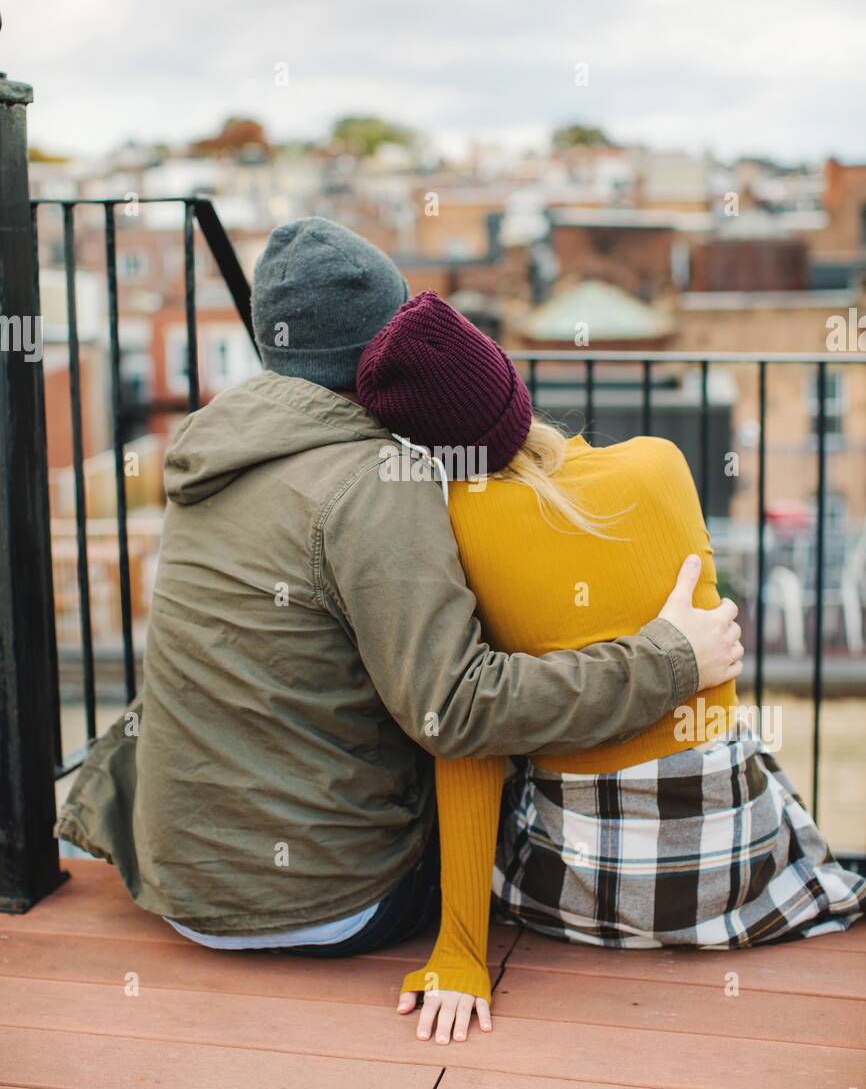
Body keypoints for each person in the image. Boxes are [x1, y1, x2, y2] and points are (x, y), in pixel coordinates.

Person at [57, 219, 740, 967]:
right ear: (391, 349)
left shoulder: (210, 448)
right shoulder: (378, 484)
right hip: (325, 905)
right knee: (495, 749)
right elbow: (459, 711)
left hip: (177, 883)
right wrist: (669, 660)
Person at [355, 291, 866, 1046]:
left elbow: (470, 744)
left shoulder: (453, 532)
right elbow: (713, 673)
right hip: (737, 874)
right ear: (510, 386)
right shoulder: (661, 464)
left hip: (575, 897)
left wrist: (462, 951)